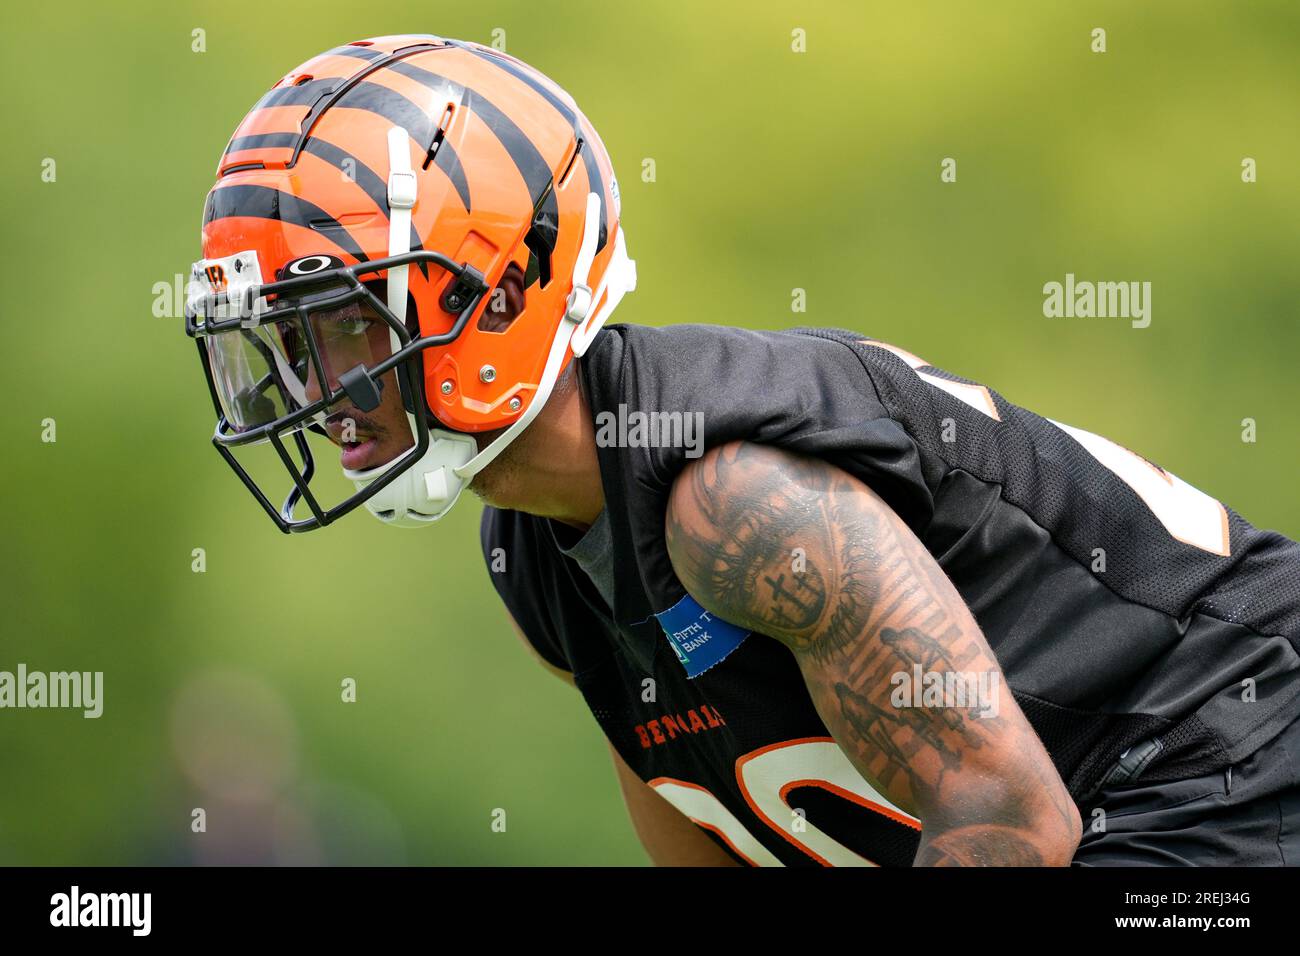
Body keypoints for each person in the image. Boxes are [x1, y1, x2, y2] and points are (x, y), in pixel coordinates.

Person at [184, 34, 1300, 866]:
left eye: (344, 323)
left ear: (502, 286)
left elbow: (1006, 823)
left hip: (1233, 751)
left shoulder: (735, 498)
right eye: (288, 339)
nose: (314, 386)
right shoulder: (537, 556)